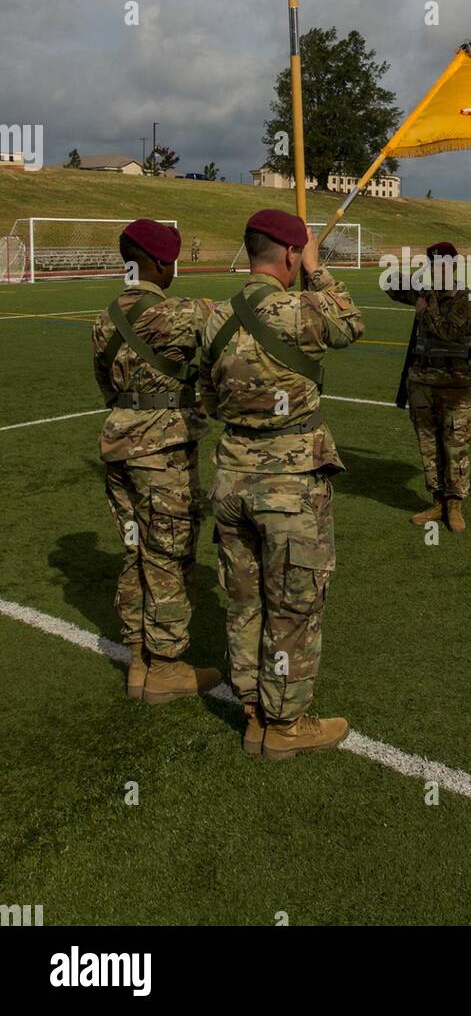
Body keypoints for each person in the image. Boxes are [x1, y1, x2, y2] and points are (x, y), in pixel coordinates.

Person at [199, 210, 364, 760]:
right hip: (289, 486)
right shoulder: (304, 311)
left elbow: (204, 395)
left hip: (231, 479)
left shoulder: (214, 317)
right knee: (293, 607)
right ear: (291, 255)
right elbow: (350, 324)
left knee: (244, 600)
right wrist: (319, 273)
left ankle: (251, 707)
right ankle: (284, 724)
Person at [91, 218, 221, 702]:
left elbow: (107, 389)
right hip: (161, 454)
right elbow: (242, 319)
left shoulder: (105, 318)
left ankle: (139, 659)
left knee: (136, 552)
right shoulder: (180, 313)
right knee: (169, 554)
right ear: (161, 263)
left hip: (119, 444)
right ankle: (166, 666)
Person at [387, 241, 471, 534]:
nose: (438, 269)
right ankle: (437, 501)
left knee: (455, 447)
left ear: (454, 266)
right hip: (421, 383)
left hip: (455, 386)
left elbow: (449, 331)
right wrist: (414, 277)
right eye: (433, 264)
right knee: (428, 447)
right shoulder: (425, 291)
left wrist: (423, 311)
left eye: (444, 264)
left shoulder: (467, 296)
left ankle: (455, 505)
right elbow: (390, 286)